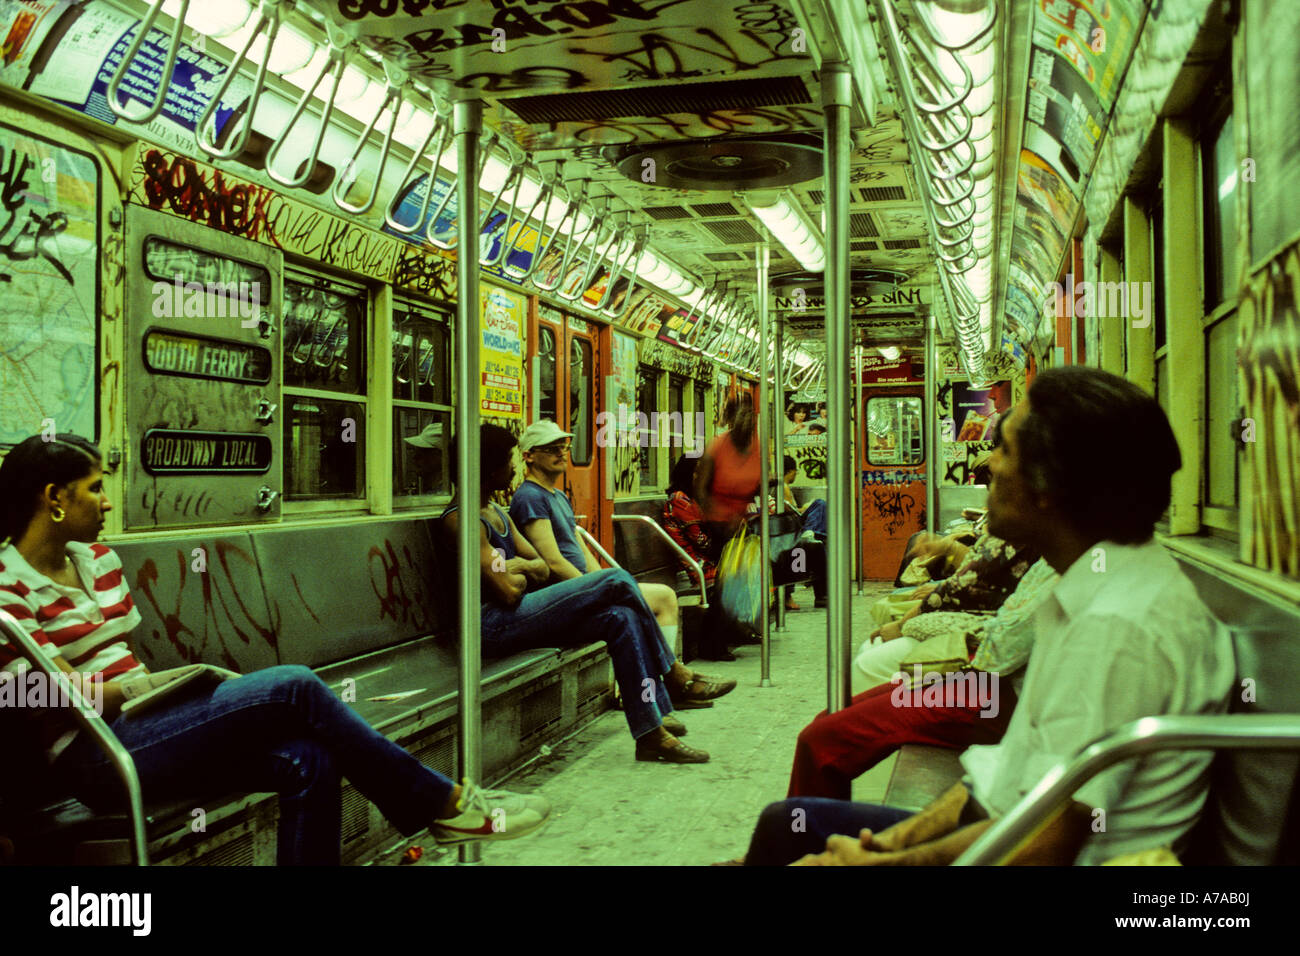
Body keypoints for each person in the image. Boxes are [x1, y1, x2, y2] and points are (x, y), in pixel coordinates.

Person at [742, 366, 1234, 866]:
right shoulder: (1090, 591)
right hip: (1009, 826)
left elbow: (1043, 842)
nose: (989, 464)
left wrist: (877, 865)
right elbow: (1003, 775)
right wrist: (891, 843)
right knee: (785, 823)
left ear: (1048, 486)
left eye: (1005, 450)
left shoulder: (1116, 628)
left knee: (788, 832)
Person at [0, 434, 549, 866]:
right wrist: (142, 687)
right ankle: (442, 804)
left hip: (145, 724)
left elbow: (116, 658)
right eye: (94, 488)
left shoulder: (97, 562)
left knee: (310, 759)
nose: (106, 500)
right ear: (53, 498)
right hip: (96, 753)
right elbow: (42, 696)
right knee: (294, 686)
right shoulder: (9, 586)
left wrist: (161, 687)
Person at [439, 424, 735, 765]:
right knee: (616, 581)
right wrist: (518, 571)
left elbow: (538, 567)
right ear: (488, 467)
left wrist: (514, 566)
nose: (512, 468)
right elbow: (507, 592)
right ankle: (674, 674)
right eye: (507, 460)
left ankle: (650, 733)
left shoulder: (495, 513)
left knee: (619, 618)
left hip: (520, 612)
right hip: (491, 626)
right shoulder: (462, 522)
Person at [786, 557, 1059, 800]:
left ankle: (810, 846)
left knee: (820, 740)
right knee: (826, 722)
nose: (992, 498)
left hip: (994, 694)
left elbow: (1000, 650)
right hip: (981, 677)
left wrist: (918, 620)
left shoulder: (1059, 572)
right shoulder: (1049, 562)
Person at [509, 420, 681, 651]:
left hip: (581, 588)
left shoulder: (558, 496)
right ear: (529, 456)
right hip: (564, 596)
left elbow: (580, 547)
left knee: (654, 601)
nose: (561, 453)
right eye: (551, 449)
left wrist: (602, 580)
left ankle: (659, 678)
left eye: (564, 446)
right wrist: (595, 589)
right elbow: (553, 562)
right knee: (663, 598)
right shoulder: (530, 497)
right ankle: (666, 677)